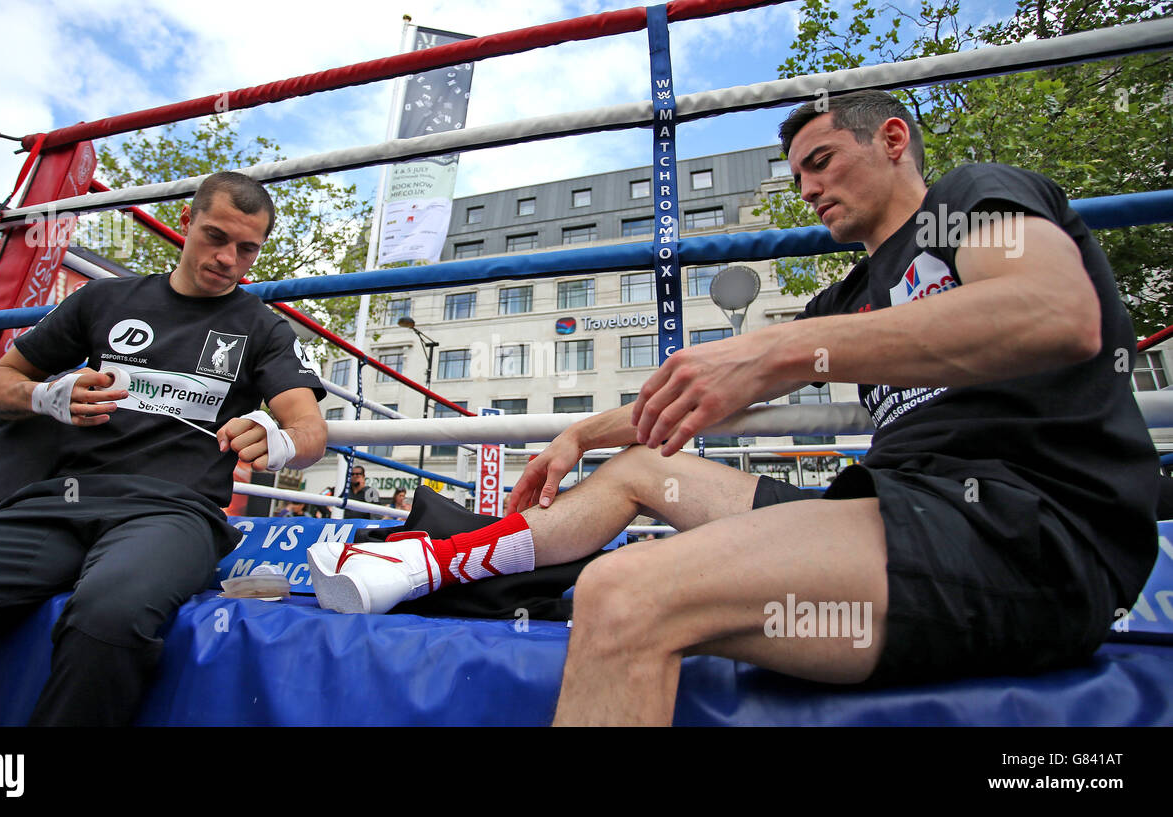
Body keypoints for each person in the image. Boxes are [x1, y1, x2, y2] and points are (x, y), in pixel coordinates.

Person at [308, 91, 1158, 725]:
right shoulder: (851, 294)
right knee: (643, 466)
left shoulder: (969, 198)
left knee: (624, 593)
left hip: (1027, 534)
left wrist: (773, 350)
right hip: (901, 516)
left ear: (893, 139)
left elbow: (1057, 314)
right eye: (796, 177)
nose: (807, 188)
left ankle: (451, 567)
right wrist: (577, 433)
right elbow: (692, 391)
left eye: (822, 162)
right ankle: (434, 561)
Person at [0, 171, 328, 726]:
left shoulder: (262, 329)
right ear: (185, 223)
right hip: (58, 503)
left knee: (108, 619)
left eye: (247, 248)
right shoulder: (108, 299)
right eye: (215, 236)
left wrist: (279, 440)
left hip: (172, 512)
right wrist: (44, 395)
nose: (229, 258)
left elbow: (310, 429)